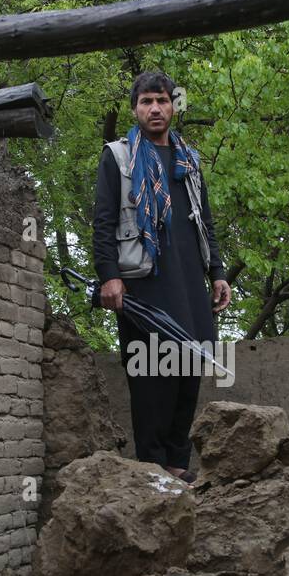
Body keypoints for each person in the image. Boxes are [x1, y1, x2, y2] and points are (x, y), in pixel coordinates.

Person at [92, 70, 231, 485]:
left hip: (189, 280)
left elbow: (205, 220)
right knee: (151, 374)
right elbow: (102, 221)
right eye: (146, 101)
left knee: (190, 367)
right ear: (135, 109)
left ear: (174, 106)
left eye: (163, 100)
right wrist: (109, 276)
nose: (155, 108)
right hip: (144, 280)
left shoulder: (189, 158)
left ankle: (175, 461)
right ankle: (151, 465)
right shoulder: (117, 156)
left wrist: (218, 272)